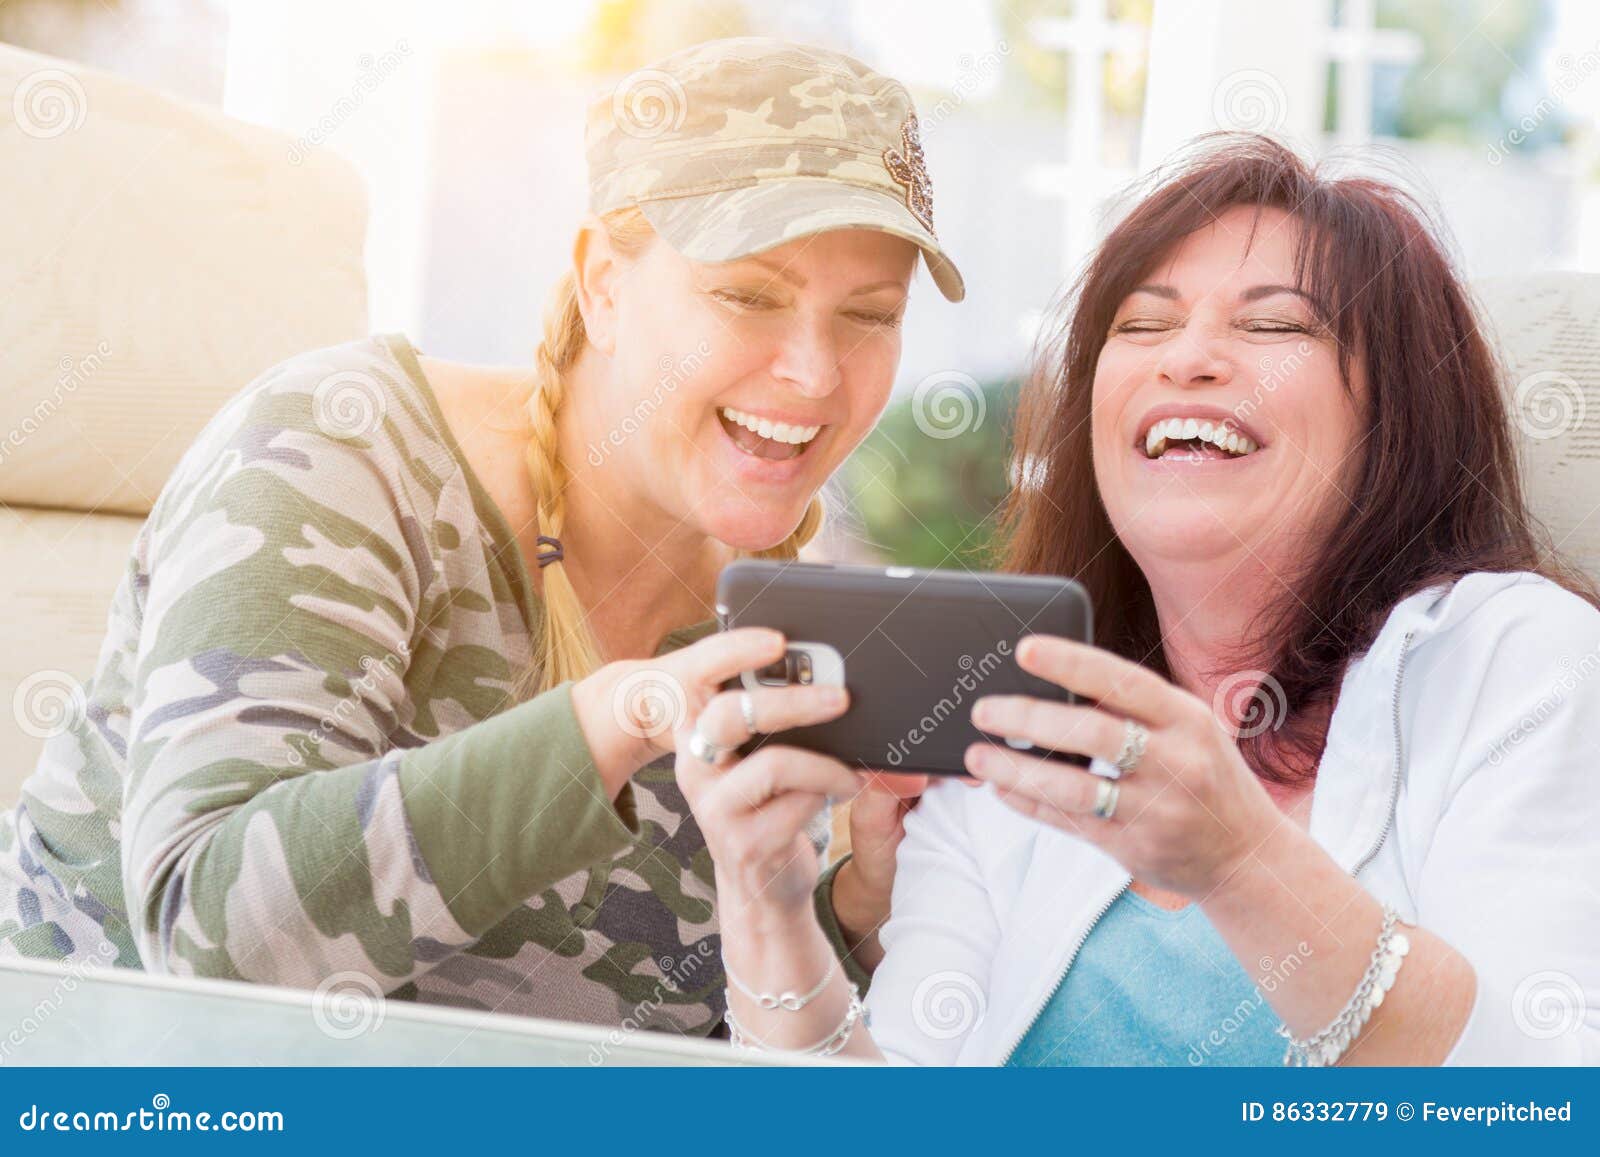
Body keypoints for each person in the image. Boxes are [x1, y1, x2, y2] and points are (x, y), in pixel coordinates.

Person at [0, 37, 962, 1035]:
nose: (814, 372)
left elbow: (674, 1029)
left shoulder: (778, 602)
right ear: (604, 283)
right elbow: (211, 937)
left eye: (868, 313)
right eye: (747, 295)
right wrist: (618, 716)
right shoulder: (343, 446)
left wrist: (847, 904)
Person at [682, 136, 1600, 1064]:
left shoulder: (1518, 660)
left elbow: (1544, 1102)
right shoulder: (1010, 715)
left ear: (1397, 418)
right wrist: (768, 903)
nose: (1189, 358)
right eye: (1144, 324)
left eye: (1277, 326)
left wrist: (1239, 862)